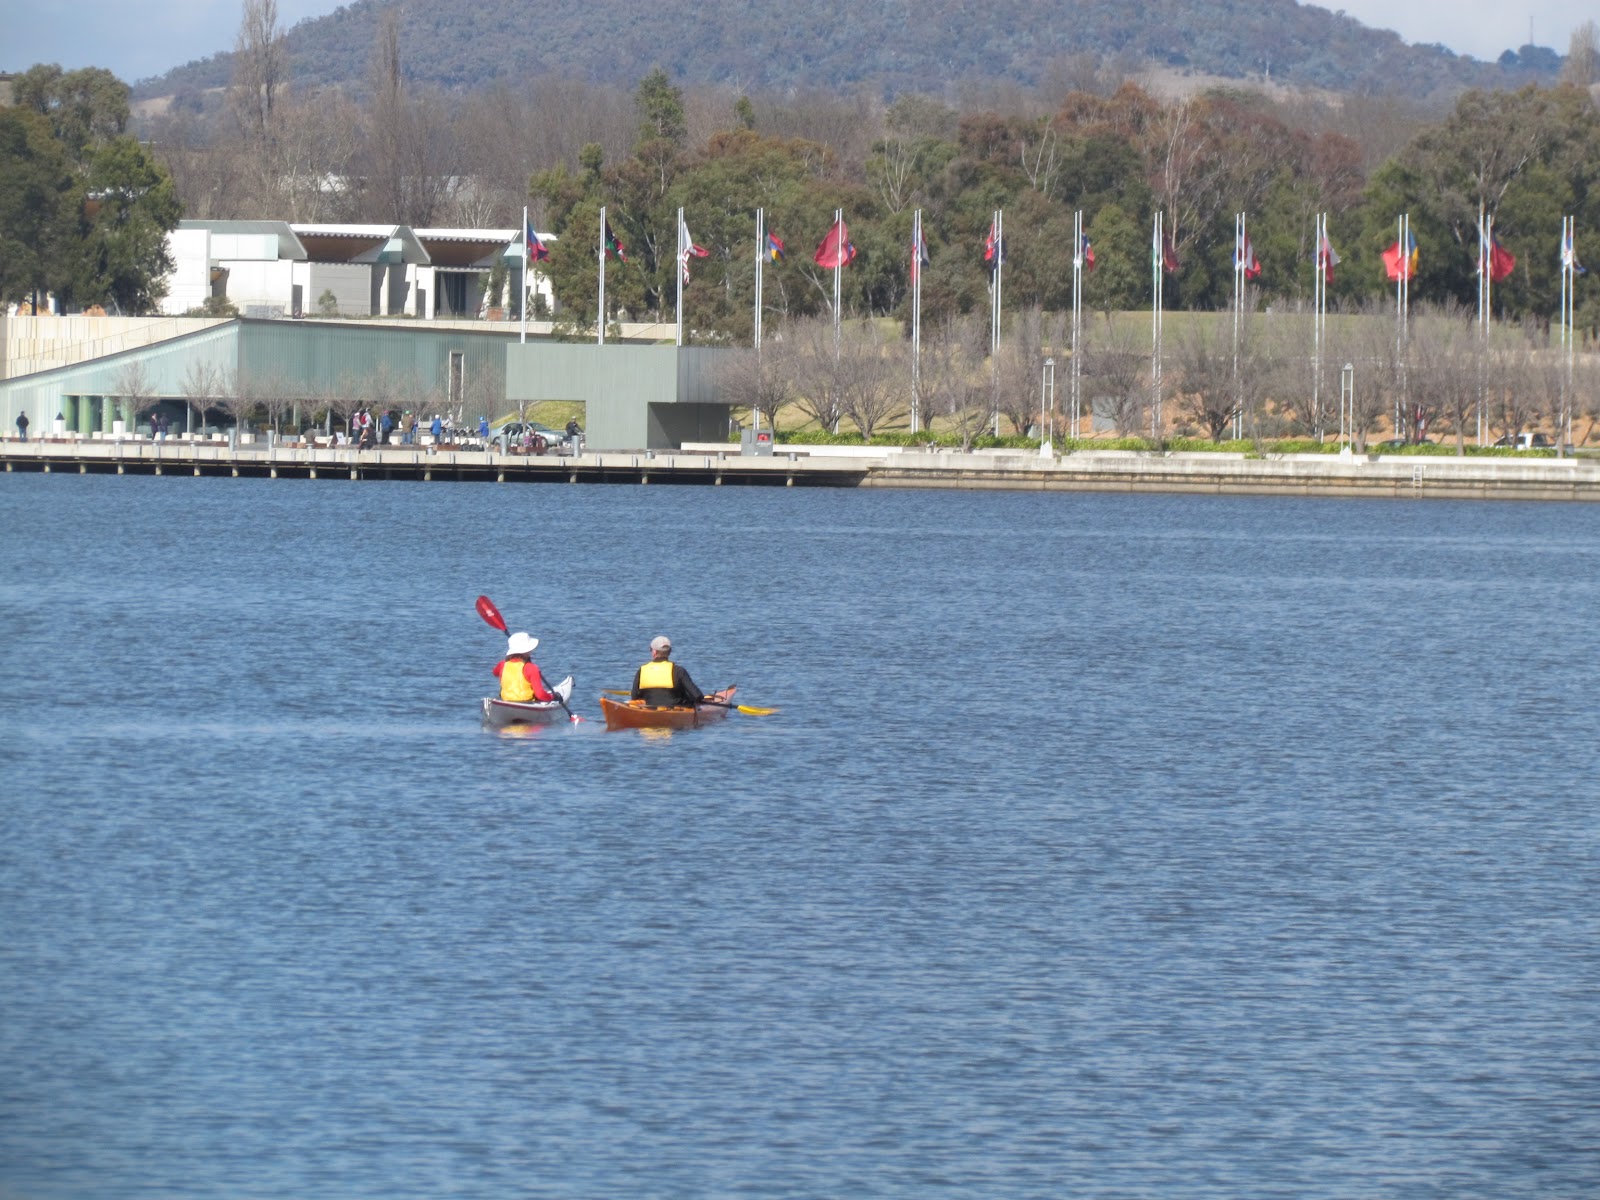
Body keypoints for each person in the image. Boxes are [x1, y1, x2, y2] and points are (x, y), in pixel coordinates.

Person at [631, 635, 707, 709]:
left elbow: (634, 697)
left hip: (649, 708)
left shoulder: (642, 670)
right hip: (675, 709)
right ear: (669, 652)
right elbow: (697, 696)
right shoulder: (679, 671)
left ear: (654, 652)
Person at [494, 632, 554, 703]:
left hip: (506, 702)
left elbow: (495, 673)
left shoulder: (502, 664)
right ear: (526, 650)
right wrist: (552, 697)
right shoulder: (531, 668)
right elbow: (540, 695)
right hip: (527, 703)